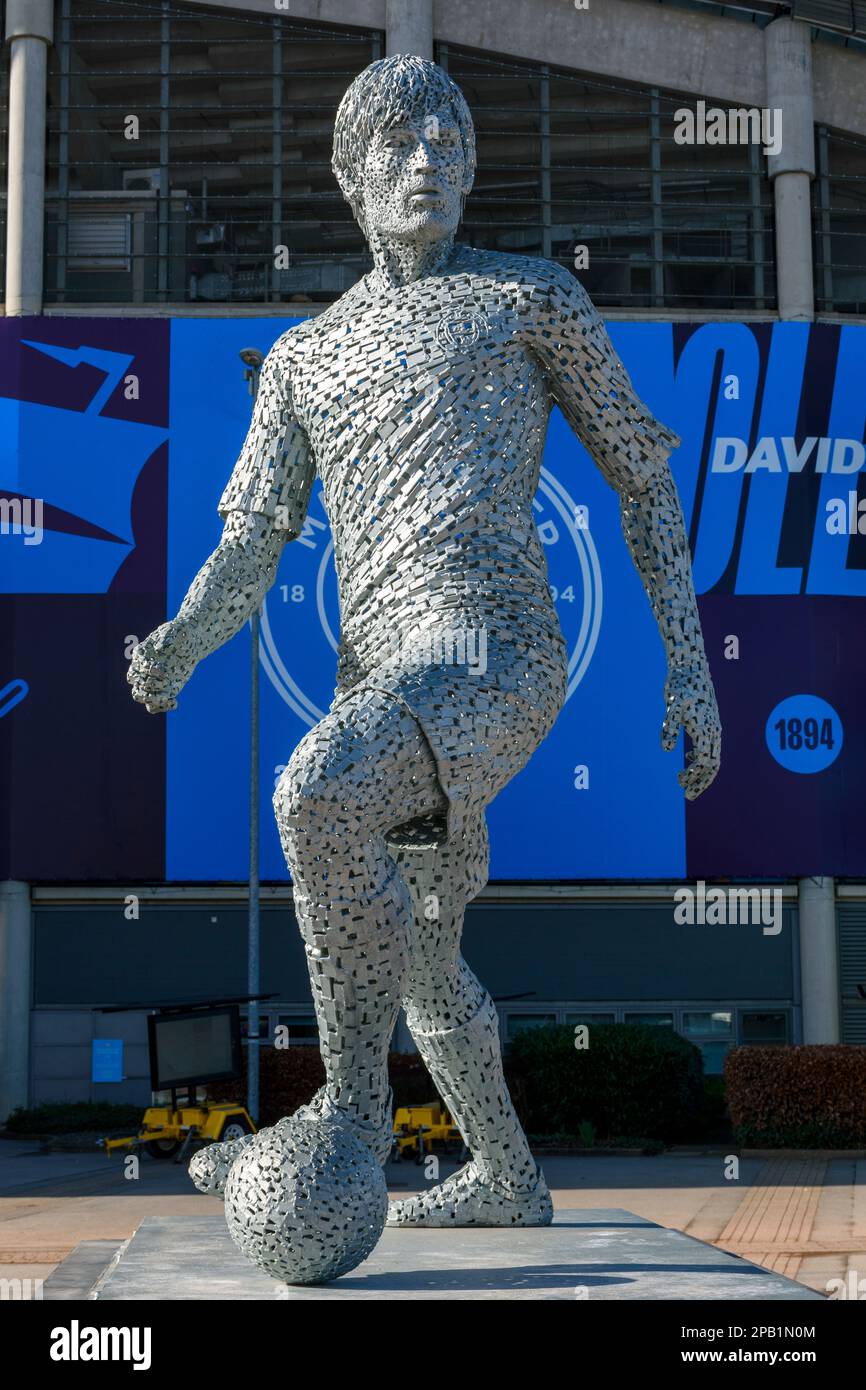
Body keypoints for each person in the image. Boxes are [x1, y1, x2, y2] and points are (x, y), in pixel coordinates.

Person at [128, 55, 721, 1227]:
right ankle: (505, 1176)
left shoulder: (526, 297)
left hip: (492, 652)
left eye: (450, 144)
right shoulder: (302, 358)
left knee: (313, 794)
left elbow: (642, 484)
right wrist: (180, 643)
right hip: (379, 675)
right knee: (417, 950)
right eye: (401, 145)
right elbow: (250, 546)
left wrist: (689, 669)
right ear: (350, 175)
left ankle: (348, 1111)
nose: (429, 163)